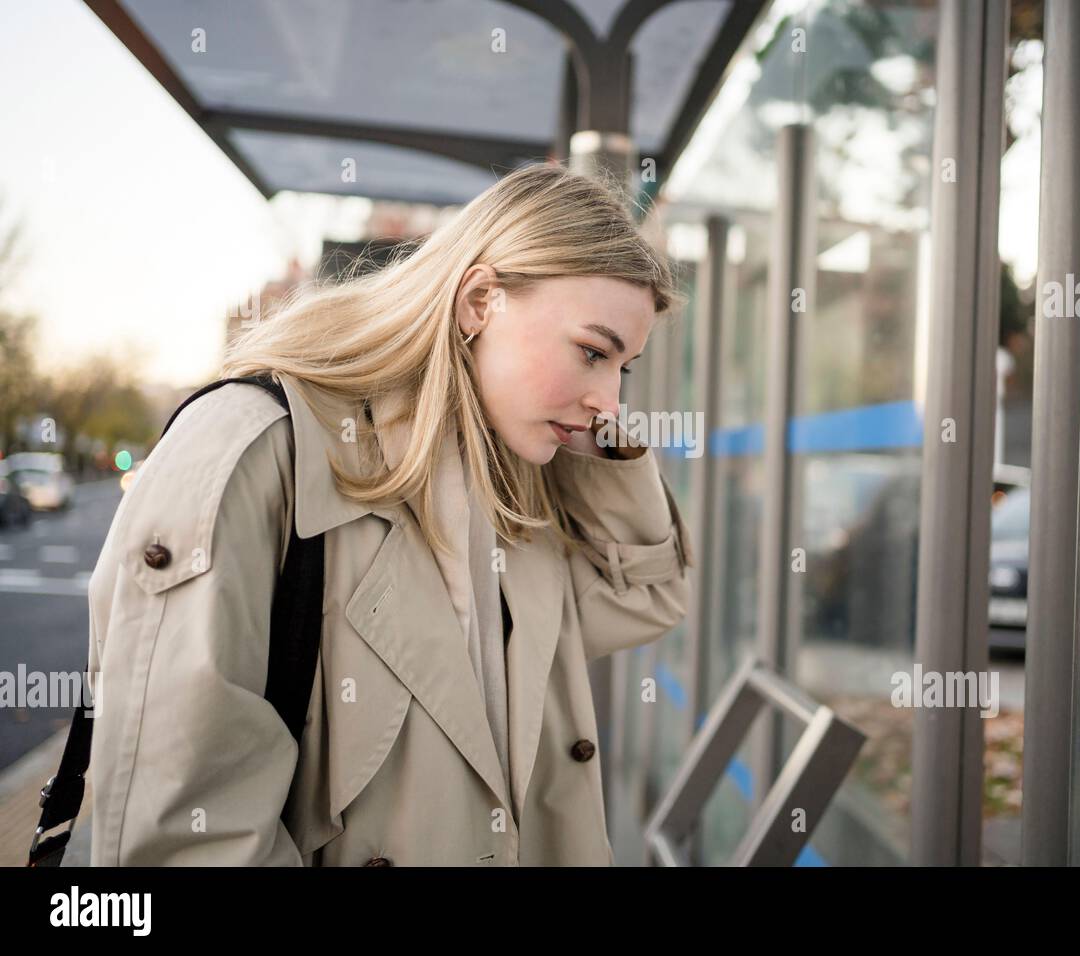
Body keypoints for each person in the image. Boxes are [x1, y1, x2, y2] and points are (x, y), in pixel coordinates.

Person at [85, 163, 694, 866]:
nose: (612, 404)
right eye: (592, 352)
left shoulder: (511, 483)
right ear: (478, 303)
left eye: (625, 369)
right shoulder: (253, 448)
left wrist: (599, 449)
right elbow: (185, 840)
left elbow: (643, 596)